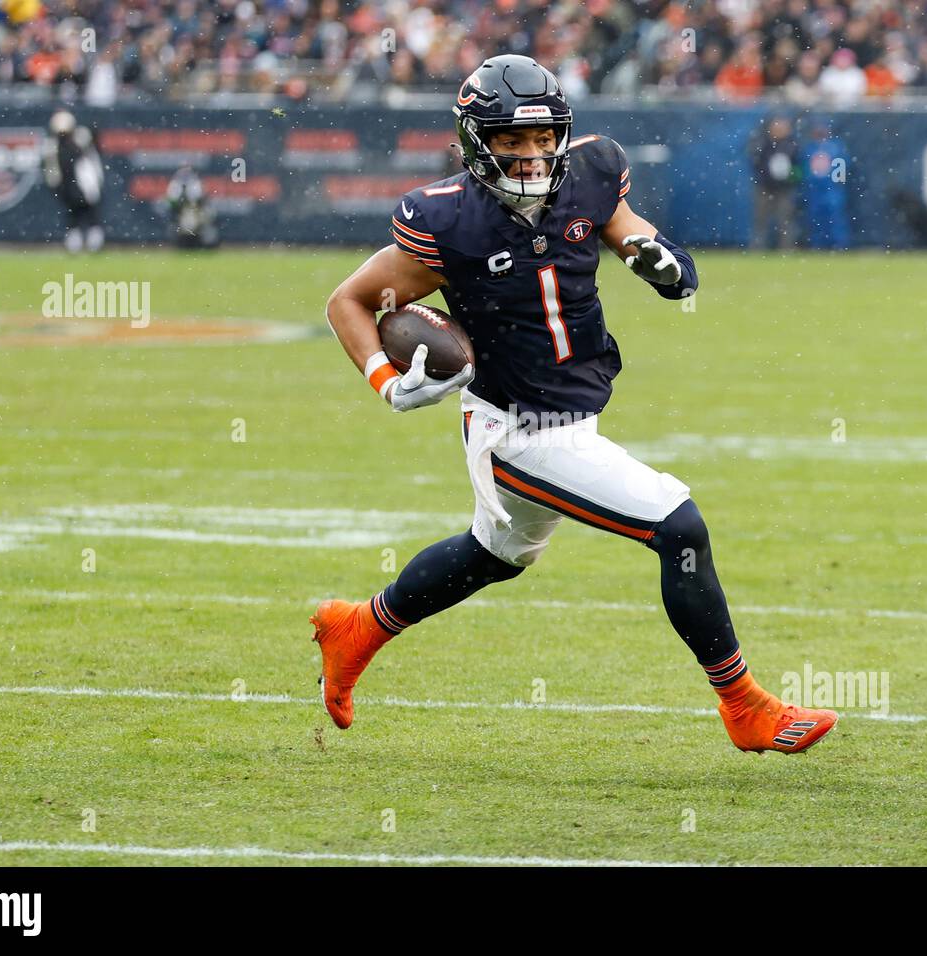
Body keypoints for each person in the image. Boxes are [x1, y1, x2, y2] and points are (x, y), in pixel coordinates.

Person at [317, 55, 838, 755]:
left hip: (571, 412)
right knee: (678, 528)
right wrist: (386, 380)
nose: (532, 156)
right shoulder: (448, 220)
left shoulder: (591, 174)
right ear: (476, 141)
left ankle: (359, 629)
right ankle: (745, 705)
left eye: (542, 138)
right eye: (511, 140)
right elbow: (348, 300)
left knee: (492, 557)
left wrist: (667, 266)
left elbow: (640, 239)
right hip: (517, 431)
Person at [41, 110, 105, 253]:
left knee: (90, 214)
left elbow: (92, 140)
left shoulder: (81, 139)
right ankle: (77, 244)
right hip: (70, 186)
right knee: (74, 216)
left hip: (85, 183)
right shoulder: (53, 147)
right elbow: (52, 171)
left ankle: (92, 243)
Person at [748, 116, 799, 249]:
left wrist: (789, 180)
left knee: (785, 220)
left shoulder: (791, 145)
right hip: (765, 188)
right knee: (760, 220)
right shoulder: (763, 144)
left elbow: (798, 168)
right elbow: (756, 164)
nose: (780, 130)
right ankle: (757, 248)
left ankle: (786, 248)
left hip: (784, 189)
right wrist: (765, 178)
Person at [799, 120, 850, 250]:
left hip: (832, 189)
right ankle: (818, 244)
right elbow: (804, 169)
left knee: (835, 217)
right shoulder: (810, 148)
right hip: (815, 190)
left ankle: (838, 245)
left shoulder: (835, 147)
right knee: (816, 219)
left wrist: (838, 183)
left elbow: (842, 167)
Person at [166, 165, 219, 249]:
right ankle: (185, 244)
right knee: (184, 229)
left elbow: (200, 199)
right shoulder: (176, 184)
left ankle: (203, 244)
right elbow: (173, 201)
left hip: (195, 210)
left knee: (203, 226)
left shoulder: (195, 183)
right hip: (184, 211)